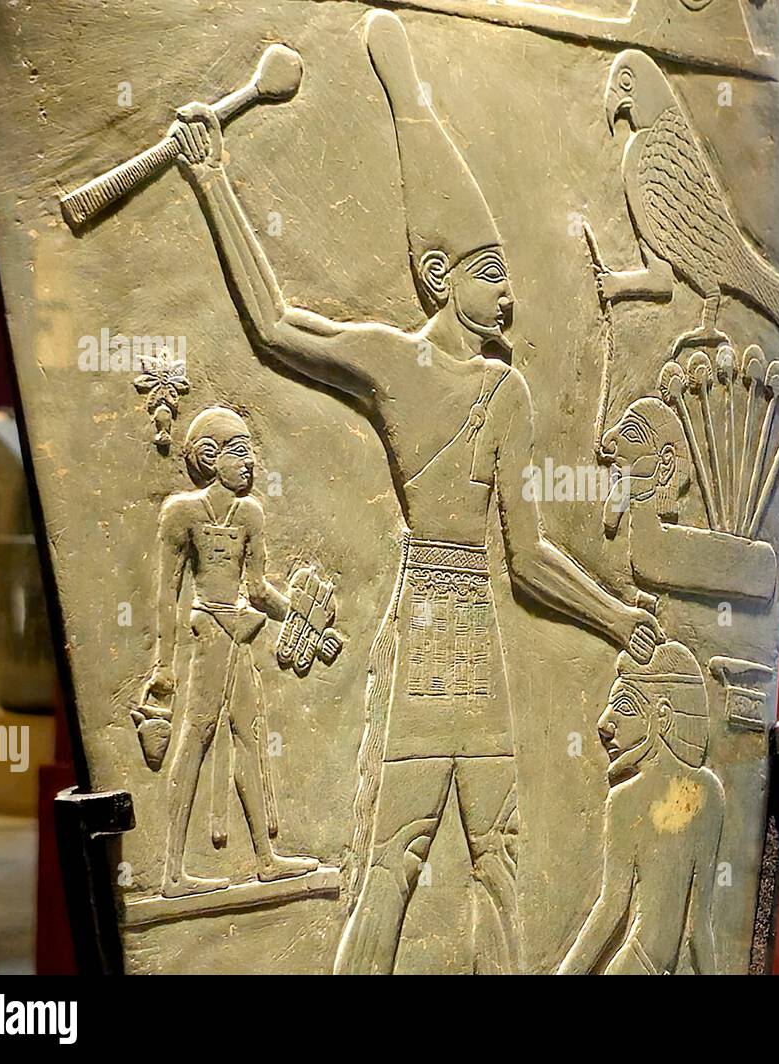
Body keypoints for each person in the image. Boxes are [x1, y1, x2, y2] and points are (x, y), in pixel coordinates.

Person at [167, 10, 661, 972]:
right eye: (491, 274)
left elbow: (527, 557)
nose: (509, 294)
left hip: (473, 628)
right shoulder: (394, 365)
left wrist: (615, 617)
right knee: (396, 856)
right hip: (432, 625)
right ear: (439, 276)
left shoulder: (506, 393)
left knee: (499, 855)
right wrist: (213, 177)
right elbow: (274, 325)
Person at [144, 407, 319, 898]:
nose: (250, 463)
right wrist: (162, 667)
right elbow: (167, 596)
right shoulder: (181, 513)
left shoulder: (250, 514)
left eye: (250, 453)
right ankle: (172, 873)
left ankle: (265, 858)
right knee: (195, 739)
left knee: (249, 735)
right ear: (208, 457)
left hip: (239, 633)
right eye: (239, 452)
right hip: (209, 634)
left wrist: (305, 621)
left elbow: (258, 589)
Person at [558, 640, 722, 975]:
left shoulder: (703, 794)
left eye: (624, 707)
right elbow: (611, 910)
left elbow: (699, 928)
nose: (605, 724)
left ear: (662, 717)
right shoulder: (705, 793)